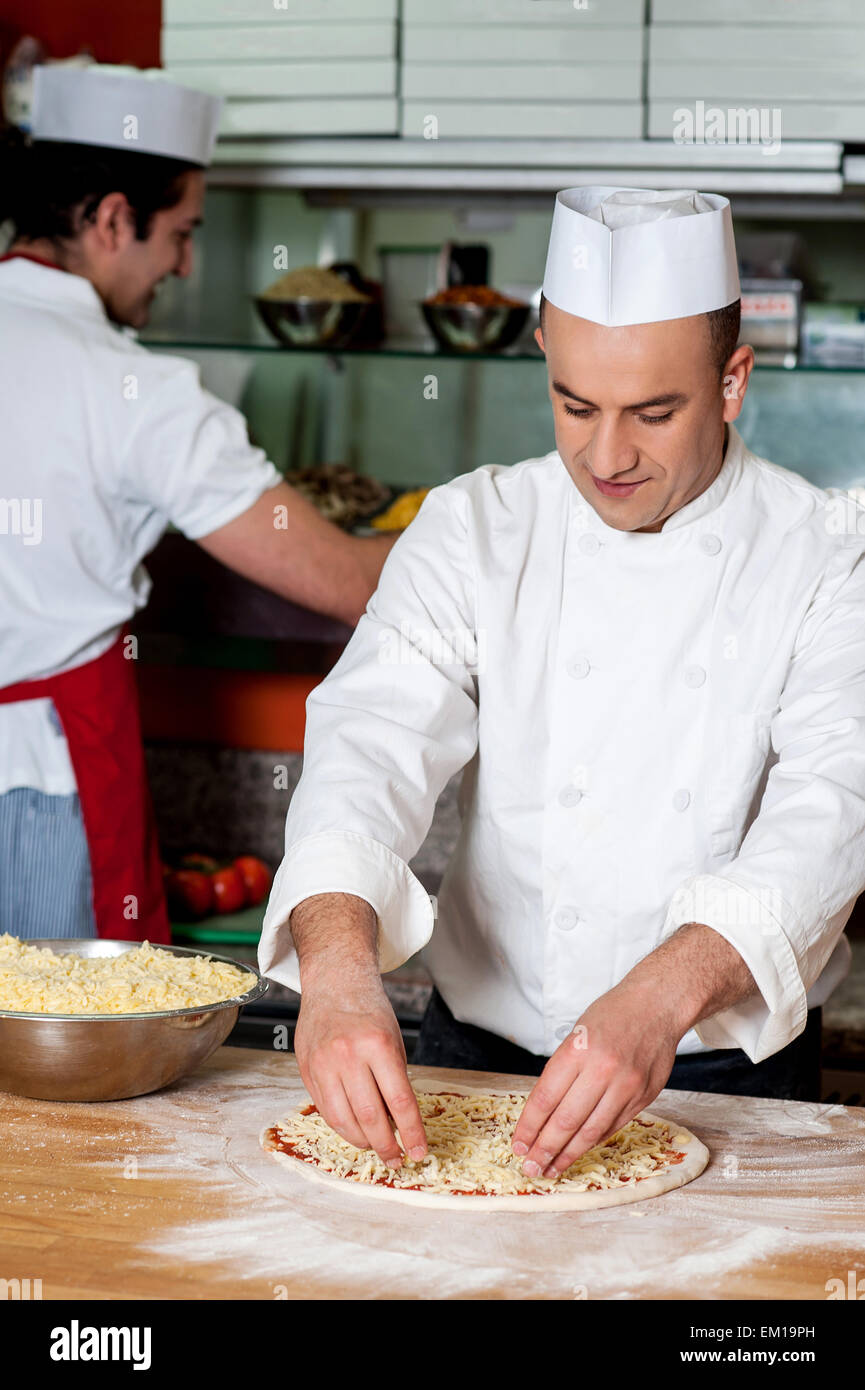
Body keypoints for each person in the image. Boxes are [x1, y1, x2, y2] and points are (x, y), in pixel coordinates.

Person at [258, 186, 865, 1179]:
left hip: (725, 1080)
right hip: (473, 1069)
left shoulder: (827, 554)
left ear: (732, 379)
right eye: (574, 404)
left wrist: (658, 998)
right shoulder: (472, 528)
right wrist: (333, 967)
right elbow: (371, 738)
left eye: (653, 411)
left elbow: (831, 808)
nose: (605, 454)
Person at [0, 65, 393, 943]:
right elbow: (346, 581)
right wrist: (499, 517)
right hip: (43, 786)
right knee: (68, 1057)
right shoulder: (136, 387)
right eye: (179, 233)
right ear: (109, 218)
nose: (183, 263)